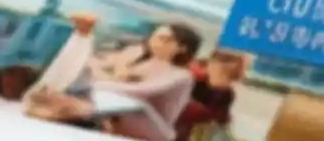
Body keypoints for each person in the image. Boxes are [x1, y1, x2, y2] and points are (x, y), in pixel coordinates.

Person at [24, 22, 203, 141]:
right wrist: (114, 75)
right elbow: (93, 62)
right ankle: (65, 108)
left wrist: (109, 79)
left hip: (154, 128)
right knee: (98, 87)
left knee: (128, 100)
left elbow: (140, 92)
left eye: (165, 39)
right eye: (155, 36)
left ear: (182, 47)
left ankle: (66, 108)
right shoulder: (137, 54)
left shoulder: (181, 76)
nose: (155, 42)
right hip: (116, 112)